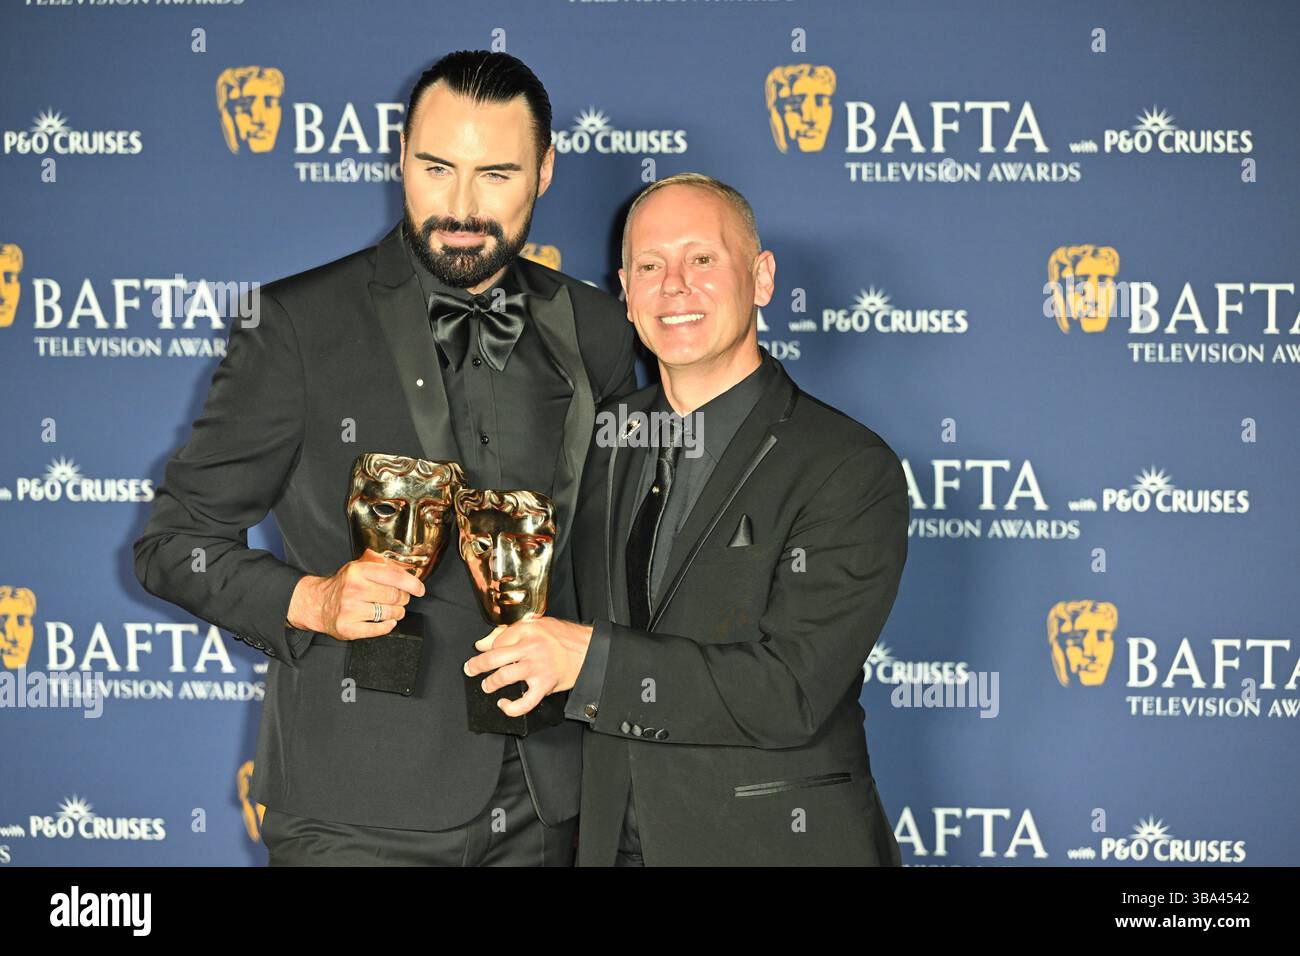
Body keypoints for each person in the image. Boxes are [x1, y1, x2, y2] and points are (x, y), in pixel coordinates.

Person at [133, 50, 636, 866]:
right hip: (357, 813)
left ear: (546, 171)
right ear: (399, 157)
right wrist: (313, 598)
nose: (462, 207)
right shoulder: (294, 326)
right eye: (437, 168)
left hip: (553, 800)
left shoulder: (600, 331)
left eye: (497, 174)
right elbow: (173, 545)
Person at [465, 172, 909, 866]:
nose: (674, 285)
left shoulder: (846, 465)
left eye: (702, 259)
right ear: (626, 290)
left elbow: (790, 689)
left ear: (761, 278)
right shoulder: (598, 442)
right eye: (650, 265)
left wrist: (586, 659)